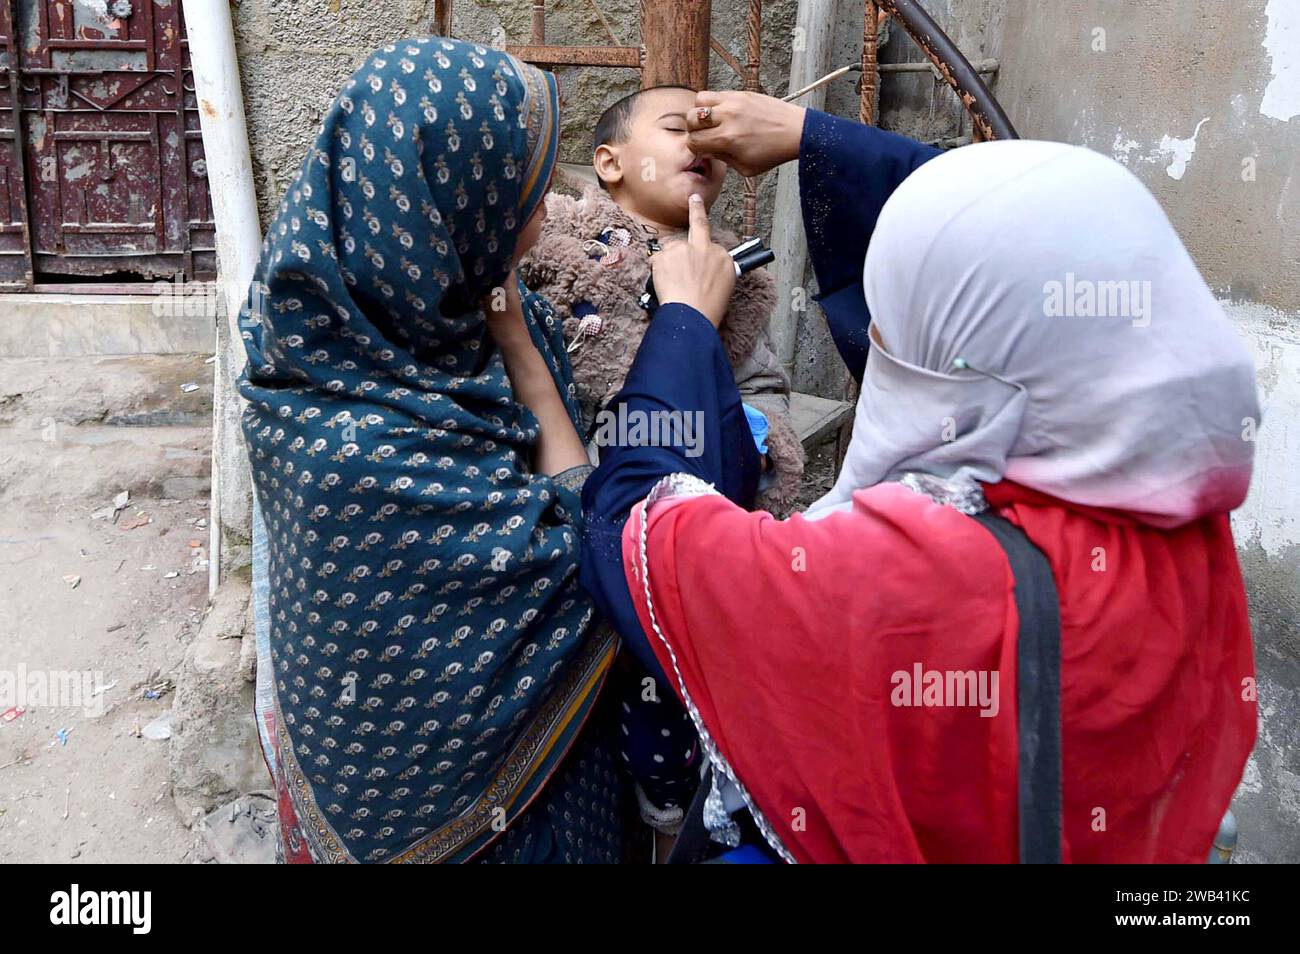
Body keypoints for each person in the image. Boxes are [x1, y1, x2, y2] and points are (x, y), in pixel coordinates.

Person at [580, 91, 1260, 863]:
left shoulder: (894, 581)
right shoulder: (1186, 525)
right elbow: (1017, 216)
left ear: (958, 345)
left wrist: (687, 320)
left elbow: (631, 521)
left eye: (898, 306)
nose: (873, 332)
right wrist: (808, 133)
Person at [239, 37, 625, 864]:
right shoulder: (351, 447)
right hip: (483, 822)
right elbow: (594, 560)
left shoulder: (410, 324)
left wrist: (519, 337)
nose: (550, 210)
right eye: (525, 190)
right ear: (444, 208)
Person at [519, 85, 803, 513]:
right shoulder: (556, 231)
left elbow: (759, 384)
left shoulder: (734, 275)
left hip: (675, 494)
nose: (700, 142)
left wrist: (753, 435)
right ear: (611, 163)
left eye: (711, 135)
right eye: (677, 128)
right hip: (552, 477)